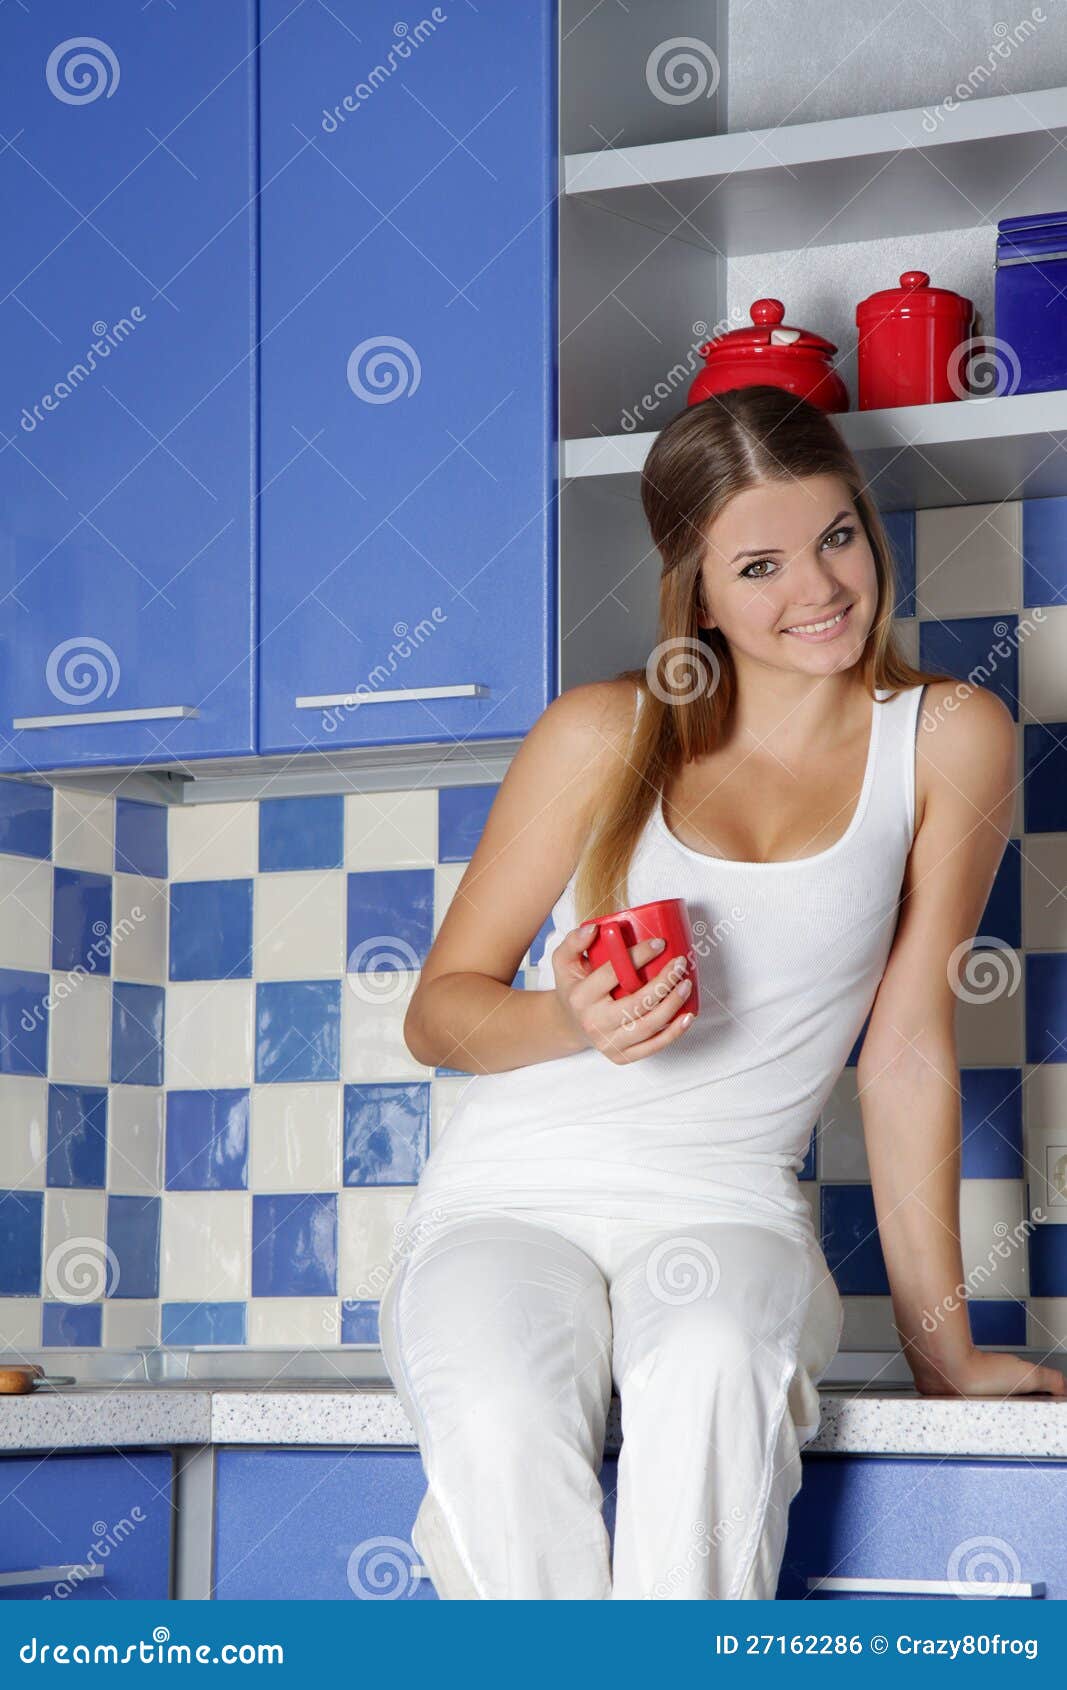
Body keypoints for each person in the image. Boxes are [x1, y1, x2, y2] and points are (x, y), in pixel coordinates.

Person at [378, 384, 1066, 1602]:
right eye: (757, 565)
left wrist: (943, 1353)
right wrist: (564, 1018)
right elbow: (439, 1010)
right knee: (493, 1408)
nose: (816, 591)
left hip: (726, 1203)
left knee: (708, 1369)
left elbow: (903, 1048)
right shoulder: (603, 733)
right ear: (695, 588)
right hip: (505, 1200)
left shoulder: (948, 734)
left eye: (836, 537)